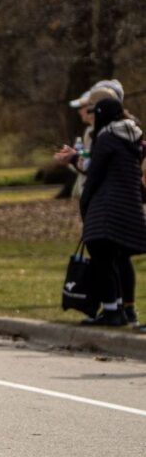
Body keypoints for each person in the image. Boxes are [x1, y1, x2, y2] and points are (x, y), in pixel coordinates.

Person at [78, 88, 146, 327]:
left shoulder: (106, 137)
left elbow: (95, 174)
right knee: (115, 258)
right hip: (130, 205)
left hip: (108, 206)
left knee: (101, 254)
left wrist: (84, 202)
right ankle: (120, 309)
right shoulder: (133, 138)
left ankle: (112, 310)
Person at [56, 80, 124, 198]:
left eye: (88, 105)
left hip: (108, 202)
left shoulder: (109, 135)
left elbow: (93, 168)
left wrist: (73, 158)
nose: (84, 111)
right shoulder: (96, 132)